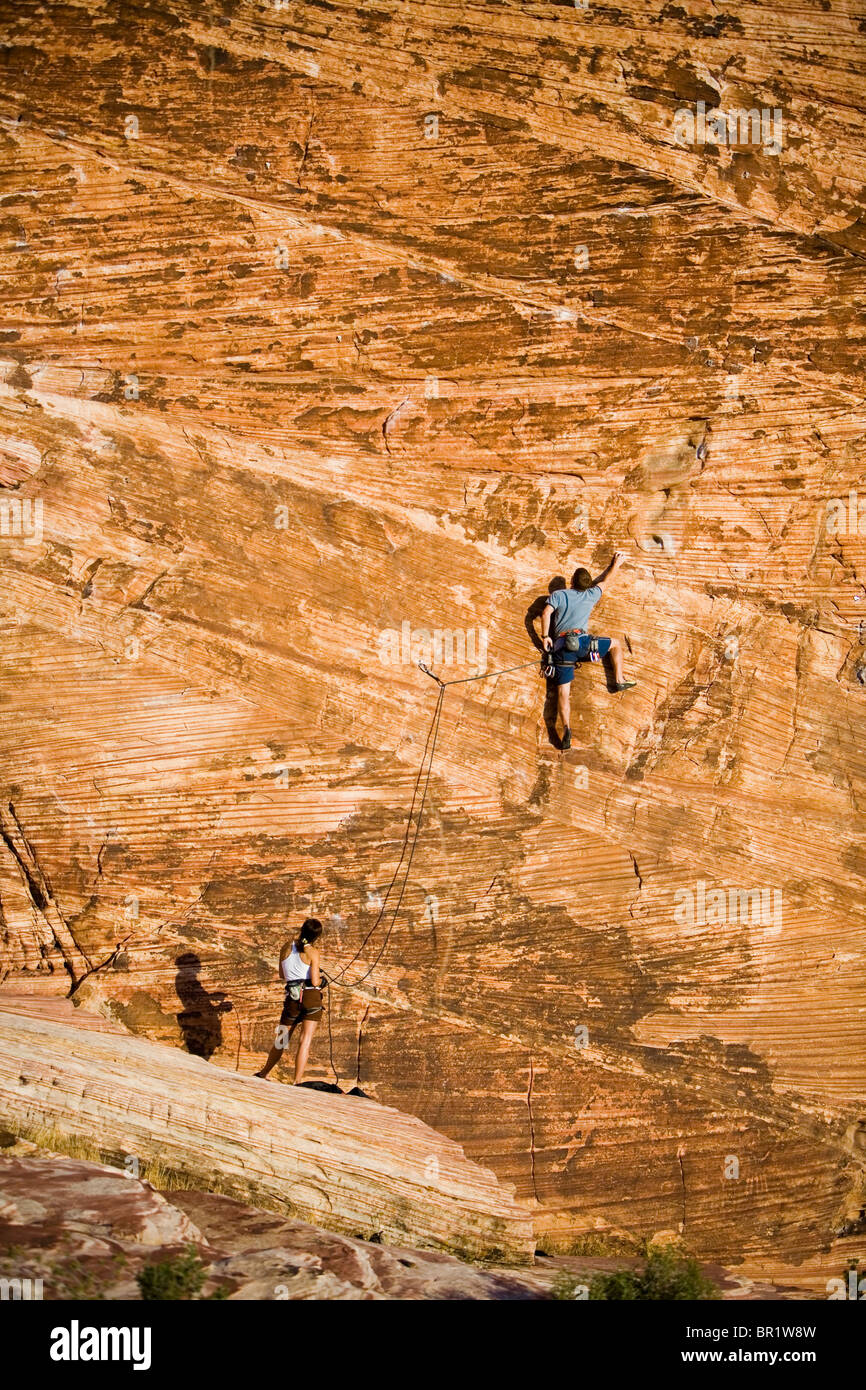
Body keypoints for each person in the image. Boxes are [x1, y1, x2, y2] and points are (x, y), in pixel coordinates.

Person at [539, 552, 636, 749]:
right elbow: (606, 581)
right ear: (588, 584)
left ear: (572, 581)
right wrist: (616, 563)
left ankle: (566, 728)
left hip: (562, 649)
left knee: (563, 692)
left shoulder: (559, 595)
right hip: (584, 646)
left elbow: (546, 612)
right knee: (615, 644)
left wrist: (545, 636)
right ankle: (619, 680)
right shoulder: (591, 595)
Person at [255, 917, 325, 1083]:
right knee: (305, 1040)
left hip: (292, 998)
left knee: (281, 1038)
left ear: (301, 929)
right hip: (311, 997)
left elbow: (282, 974)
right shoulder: (313, 952)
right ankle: (297, 1081)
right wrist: (322, 981)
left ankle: (264, 1072)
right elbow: (315, 982)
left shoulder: (286, 947)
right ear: (317, 937)